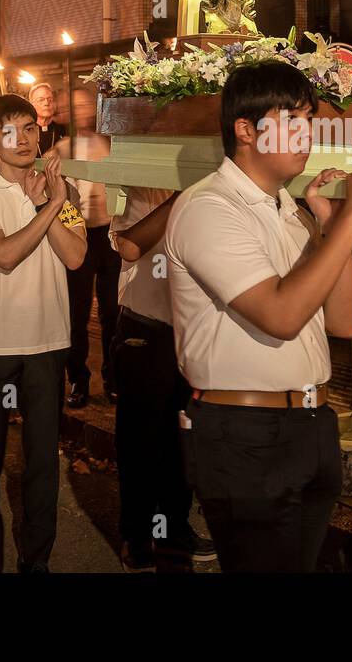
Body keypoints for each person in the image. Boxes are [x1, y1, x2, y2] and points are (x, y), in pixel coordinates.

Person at [166, 60, 352, 572]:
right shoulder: (208, 207)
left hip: (310, 425)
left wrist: (333, 226)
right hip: (244, 434)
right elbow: (282, 315)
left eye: (309, 120)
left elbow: (346, 321)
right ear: (245, 129)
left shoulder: (290, 210)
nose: (305, 133)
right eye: (290, 120)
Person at [0, 94, 88, 573]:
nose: (24, 138)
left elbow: (75, 257)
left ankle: (37, 562)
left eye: (30, 128)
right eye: (11, 131)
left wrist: (49, 200)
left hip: (48, 344)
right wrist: (48, 207)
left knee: (42, 465)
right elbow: (4, 255)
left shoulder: (58, 186)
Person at [108, 186, 217, 570]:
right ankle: (136, 536)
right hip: (145, 331)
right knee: (139, 441)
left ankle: (173, 529)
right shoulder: (137, 190)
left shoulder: (212, 194)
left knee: (182, 438)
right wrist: (179, 199)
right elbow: (129, 247)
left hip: (194, 333)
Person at [47, 87, 120, 407]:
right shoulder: (63, 148)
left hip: (109, 234)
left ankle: (113, 377)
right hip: (78, 235)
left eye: (85, 104)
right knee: (75, 313)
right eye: (72, 105)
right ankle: (77, 379)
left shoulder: (112, 144)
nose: (80, 110)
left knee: (112, 312)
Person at [29, 83, 68, 155]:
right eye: (41, 100)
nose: (46, 103)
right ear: (32, 104)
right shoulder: (26, 130)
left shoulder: (63, 129)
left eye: (50, 100)